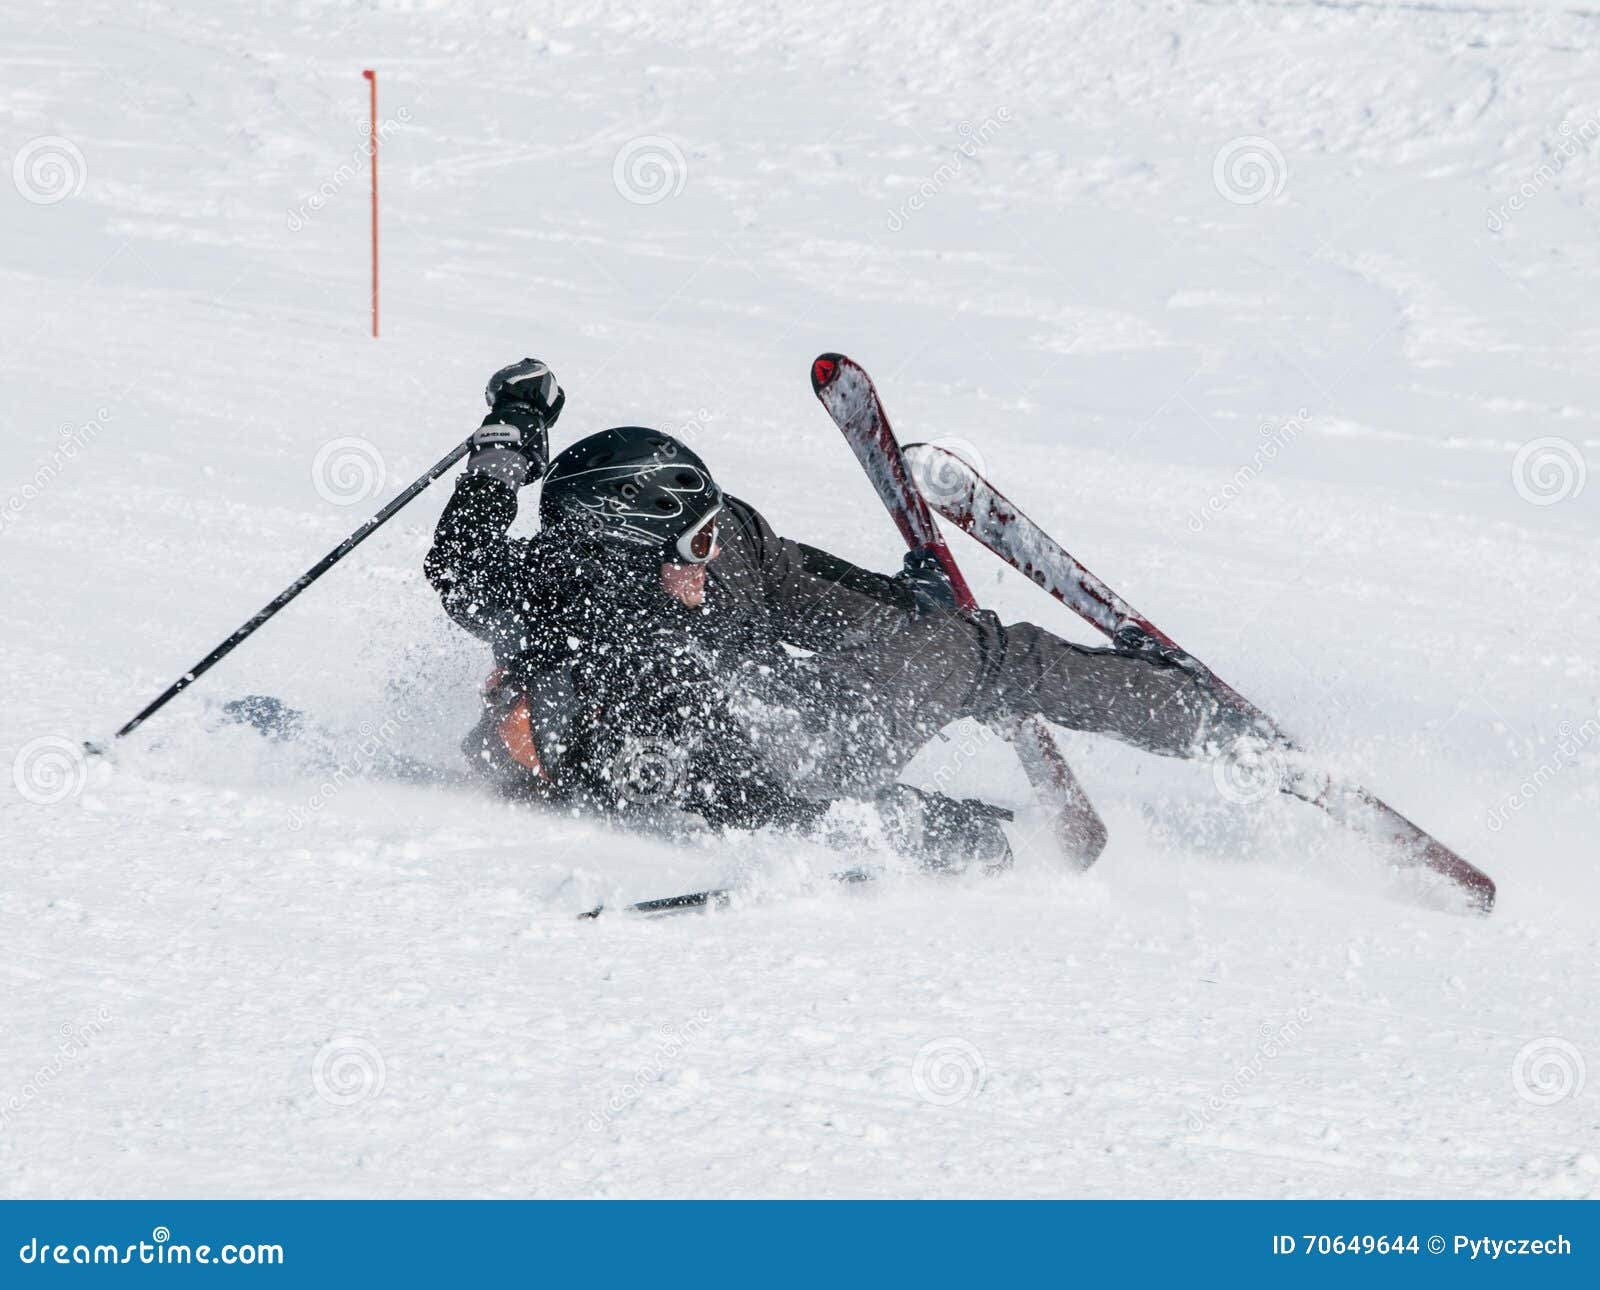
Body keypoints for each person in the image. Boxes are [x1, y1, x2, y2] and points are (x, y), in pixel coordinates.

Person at [424, 359, 1239, 868]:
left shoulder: (727, 542)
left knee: (949, 648)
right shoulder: (594, 617)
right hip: (790, 769)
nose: (711, 555)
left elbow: (794, 587)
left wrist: (902, 605)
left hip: (808, 727)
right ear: (625, 551)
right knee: (984, 655)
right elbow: (463, 563)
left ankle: (1124, 741)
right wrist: (914, 830)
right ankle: (1197, 719)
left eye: (713, 527)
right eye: (693, 543)